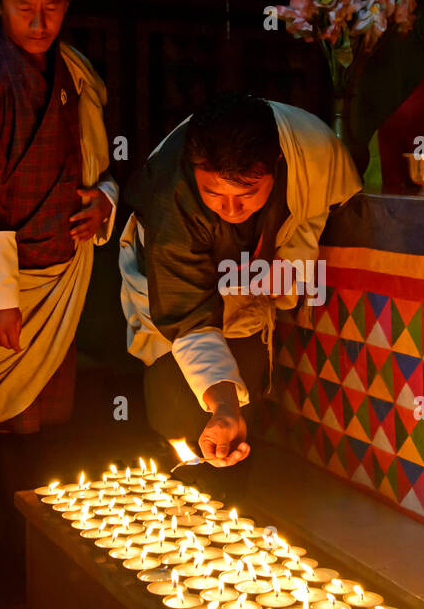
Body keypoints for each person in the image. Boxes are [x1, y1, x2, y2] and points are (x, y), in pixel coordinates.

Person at [0, 0, 116, 594]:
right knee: (1, 426)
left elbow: (104, 163)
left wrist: (104, 203)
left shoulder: (73, 71)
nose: (39, 21)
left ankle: (46, 566)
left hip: (63, 271)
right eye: (25, 6)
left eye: (52, 6)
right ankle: (1, 570)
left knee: (51, 425)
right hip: (13, 283)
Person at [119, 93, 360, 467]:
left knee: (245, 382)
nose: (230, 209)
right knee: (177, 402)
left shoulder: (314, 151)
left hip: (252, 285)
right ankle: (179, 481)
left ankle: (232, 494)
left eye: (247, 195)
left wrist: (229, 411)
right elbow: (188, 317)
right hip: (172, 297)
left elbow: (320, 209)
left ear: (276, 164)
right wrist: (223, 405)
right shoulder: (173, 198)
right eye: (213, 194)